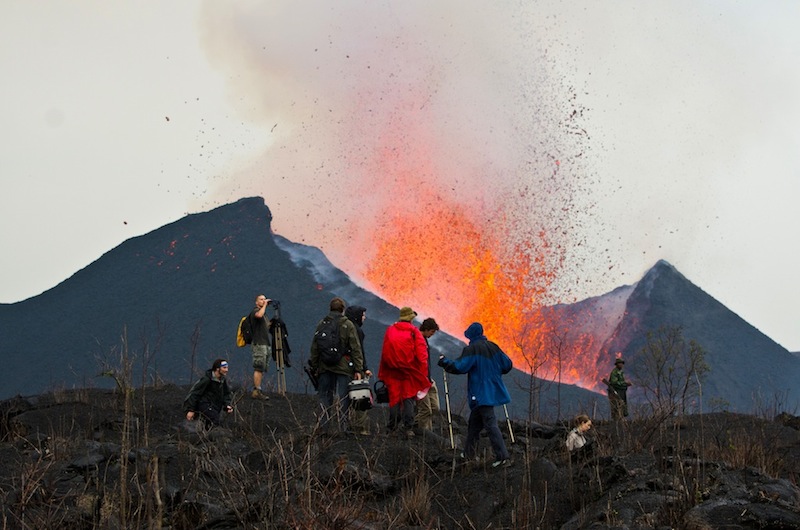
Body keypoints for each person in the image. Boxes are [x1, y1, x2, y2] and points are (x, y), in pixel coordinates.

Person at [438, 322, 513, 468]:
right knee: (474, 424)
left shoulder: (472, 349)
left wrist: (444, 362)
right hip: (493, 390)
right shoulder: (493, 347)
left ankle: (503, 457)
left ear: (471, 335)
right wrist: (495, 372)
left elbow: (460, 366)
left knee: (490, 424)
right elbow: (507, 365)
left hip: (480, 392)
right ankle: (469, 454)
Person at [309, 297, 364, 434]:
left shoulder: (322, 324)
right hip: (343, 367)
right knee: (343, 398)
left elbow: (315, 347)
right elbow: (355, 348)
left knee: (325, 396)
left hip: (324, 366)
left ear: (330, 308)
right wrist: (358, 368)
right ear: (342, 309)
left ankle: (323, 427)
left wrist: (315, 366)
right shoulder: (348, 325)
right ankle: (343, 428)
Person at [378, 307, 431, 438]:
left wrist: (384, 372)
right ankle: (408, 428)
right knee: (408, 398)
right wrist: (422, 375)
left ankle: (392, 427)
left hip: (393, 371)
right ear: (411, 319)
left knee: (394, 398)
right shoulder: (414, 332)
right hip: (410, 371)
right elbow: (422, 355)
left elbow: (385, 352)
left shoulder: (390, 330)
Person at [345, 305, 372, 435]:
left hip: (343, 367)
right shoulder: (356, 331)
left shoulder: (343, 327)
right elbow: (359, 351)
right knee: (360, 396)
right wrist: (363, 369)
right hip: (355, 369)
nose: (364, 318)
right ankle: (359, 428)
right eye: (362, 315)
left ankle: (347, 424)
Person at [184, 359, 233, 427]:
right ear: (217, 369)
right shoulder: (207, 380)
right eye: (224, 368)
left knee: (208, 425)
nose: (227, 370)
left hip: (215, 407)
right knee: (215, 421)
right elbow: (195, 393)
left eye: (227, 368)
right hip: (205, 405)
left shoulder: (222, 380)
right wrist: (191, 410)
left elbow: (226, 393)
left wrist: (227, 405)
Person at [414, 317, 440, 431]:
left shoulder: (423, 340)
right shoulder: (418, 339)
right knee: (426, 409)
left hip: (427, 378)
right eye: (432, 332)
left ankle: (424, 429)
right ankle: (420, 429)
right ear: (427, 329)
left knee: (434, 407)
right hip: (420, 379)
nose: (432, 335)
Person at [249, 294, 273, 400]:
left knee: (262, 368)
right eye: (261, 299)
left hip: (265, 343)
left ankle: (258, 388)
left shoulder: (264, 315)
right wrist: (265, 306)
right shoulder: (255, 311)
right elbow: (258, 315)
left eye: (264, 299)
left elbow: (267, 326)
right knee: (258, 367)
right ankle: (256, 390)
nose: (264, 301)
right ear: (256, 302)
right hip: (259, 343)